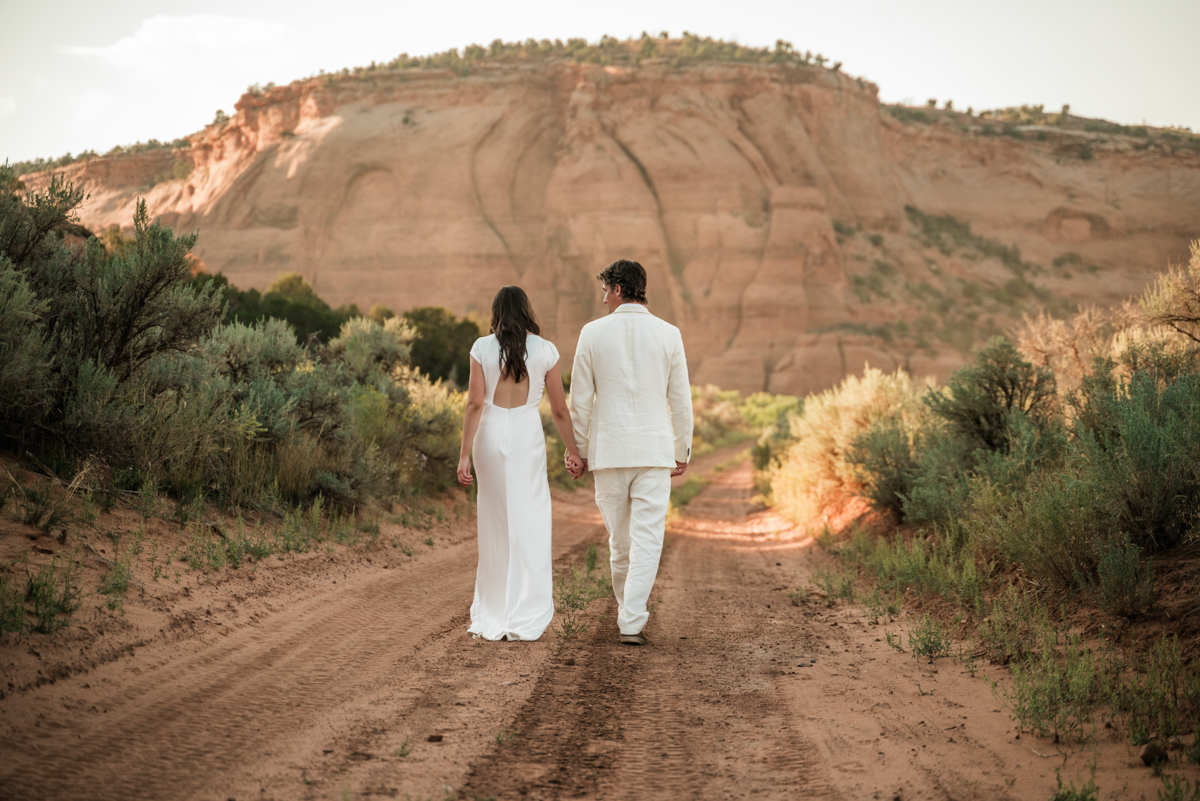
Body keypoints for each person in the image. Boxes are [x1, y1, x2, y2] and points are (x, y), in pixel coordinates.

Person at [567, 259, 693, 645]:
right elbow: (681, 399)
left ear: (618, 289)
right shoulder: (669, 333)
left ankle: (630, 618)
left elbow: (580, 401)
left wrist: (579, 451)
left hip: (608, 452)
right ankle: (630, 618)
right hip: (654, 452)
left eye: (605, 291)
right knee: (647, 539)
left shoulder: (591, 333)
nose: (603, 298)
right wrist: (682, 448)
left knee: (620, 542)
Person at [457, 286, 582, 641]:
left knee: (495, 522)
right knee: (531, 519)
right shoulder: (545, 350)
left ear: (496, 311)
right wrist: (573, 452)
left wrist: (464, 455)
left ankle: (495, 608)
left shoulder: (482, 347)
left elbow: (475, 404)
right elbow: (559, 409)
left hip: (489, 438)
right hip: (527, 438)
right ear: (526, 310)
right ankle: (526, 610)